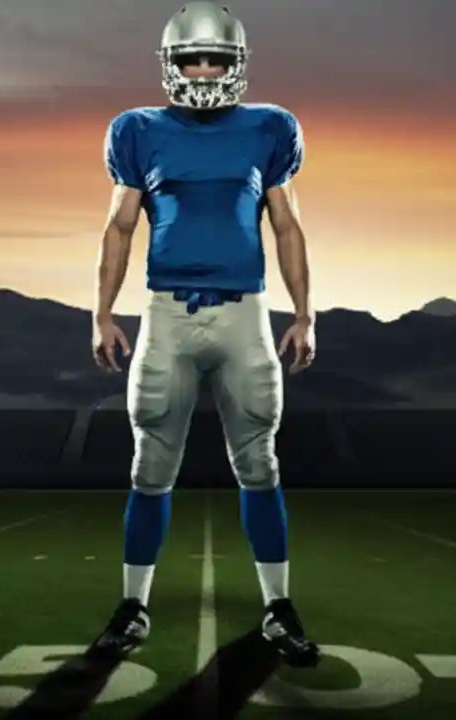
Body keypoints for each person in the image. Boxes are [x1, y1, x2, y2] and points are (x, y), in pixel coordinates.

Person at [87, 1, 319, 667]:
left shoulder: (270, 127)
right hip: (166, 314)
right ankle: (133, 606)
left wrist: (304, 312)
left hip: (247, 312)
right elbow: (120, 226)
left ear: (239, 63)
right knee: (151, 465)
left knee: (260, 463)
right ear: (171, 64)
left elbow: (287, 225)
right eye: (194, 59)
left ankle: (278, 607)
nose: (207, 70)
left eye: (218, 58)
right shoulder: (136, 129)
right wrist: (102, 311)